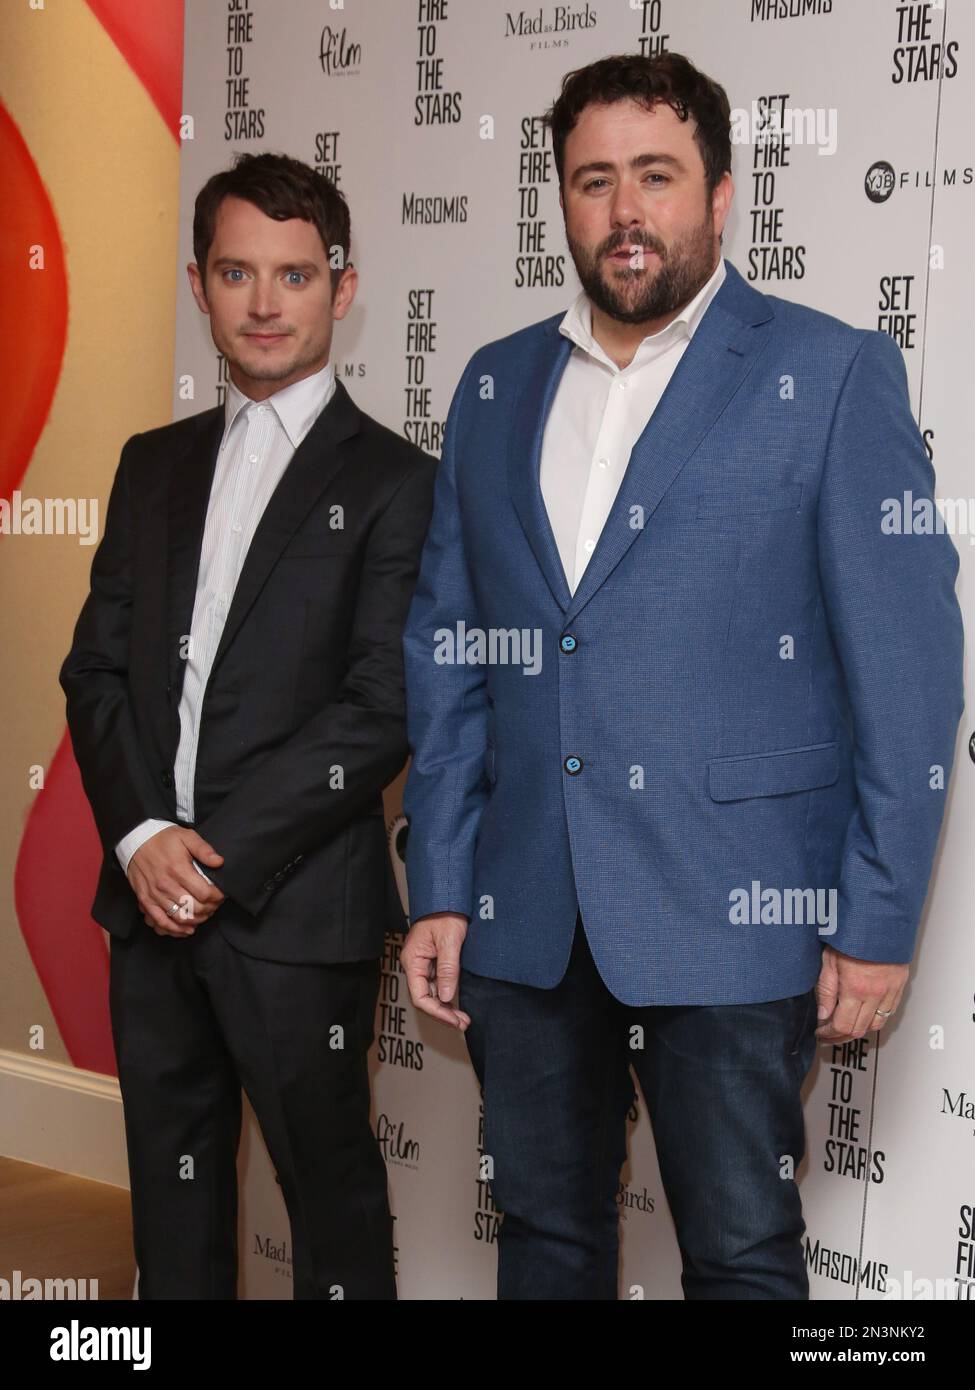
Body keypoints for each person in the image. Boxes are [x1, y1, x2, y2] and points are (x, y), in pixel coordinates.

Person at [399, 52, 964, 1299]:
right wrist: (440, 879)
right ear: (562, 201)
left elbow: (913, 675)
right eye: (593, 181)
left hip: (736, 915)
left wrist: (873, 924)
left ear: (718, 195)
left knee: (742, 1253)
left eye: (655, 176)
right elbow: (449, 653)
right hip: (526, 912)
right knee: (544, 1243)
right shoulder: (495, 387)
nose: (624, 210)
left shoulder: (830, 375)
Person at [60, 152, 435, 1299]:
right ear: (198, 284)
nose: (265, 302)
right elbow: (95, 672)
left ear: (342, 285)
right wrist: (140, 841)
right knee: (171, 1206)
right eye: (236, 272)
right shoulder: (150, 464)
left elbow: (383, 706)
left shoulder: (398, 482)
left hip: (296, 910)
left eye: (293, 274)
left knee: (329, 1199)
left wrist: (212, 857)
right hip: (147, 903)